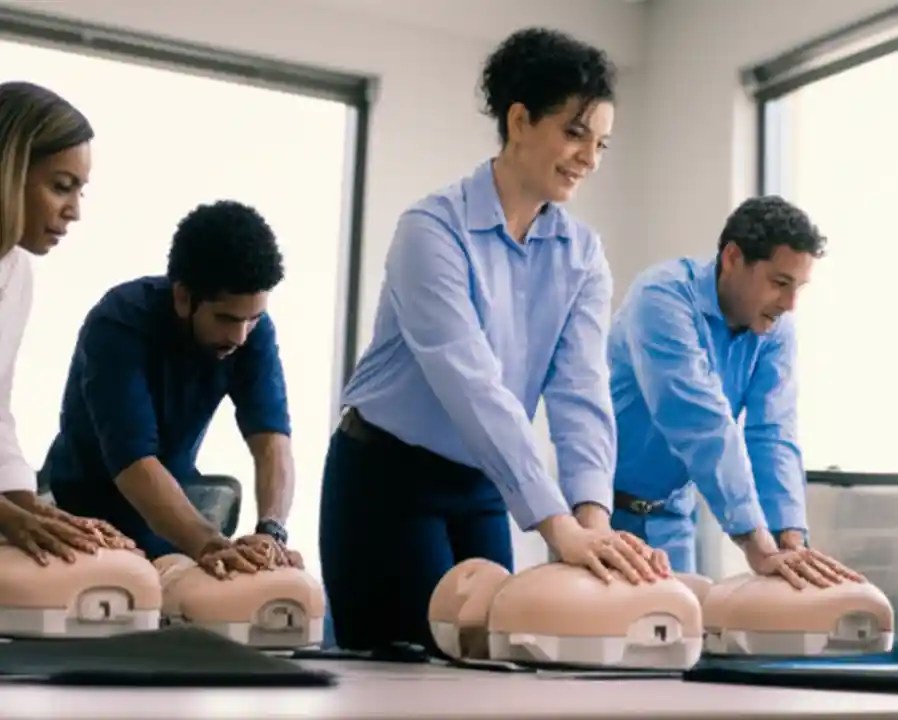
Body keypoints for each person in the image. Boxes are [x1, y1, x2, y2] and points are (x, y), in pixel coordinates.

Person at [318, 26, 669, 655]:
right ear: (519, 120)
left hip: (480, 485)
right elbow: (472, 384)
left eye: (601, 143)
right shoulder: (431, 231)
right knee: (400, 677)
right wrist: (555, 526)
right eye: (574, 133)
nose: (589, 157)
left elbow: (581, 391)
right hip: (388, 476)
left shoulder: (583, 255)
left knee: (493, 662)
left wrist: (593, 522)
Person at [607, 195, 863, 589]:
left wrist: (790, 541)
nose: (790, 304)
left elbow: (772, 432)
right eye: (779, 283)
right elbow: (702, 423)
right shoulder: (661, 299)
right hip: (604, 517)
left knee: (680, 639)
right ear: (732, 258)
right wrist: (758, 545)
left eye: (799, 287)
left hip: (673, 517)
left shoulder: (775, 330)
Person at [43, 199, 300, 578]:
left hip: (173, 511)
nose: (239, 336)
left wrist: (271, 533)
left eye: (253, 319)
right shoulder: (119, 323)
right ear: (183, 297)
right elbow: (134, 463)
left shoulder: (252, 332)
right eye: (226, 318)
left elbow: (272, 441)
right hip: (82, 512)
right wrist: (210, 543)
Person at [0, 80, 134, 564]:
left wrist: (32, 508)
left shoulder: (16, 272)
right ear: (9, 170)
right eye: (60, 186)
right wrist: (8, 517)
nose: (73, 212)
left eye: (79, 191)